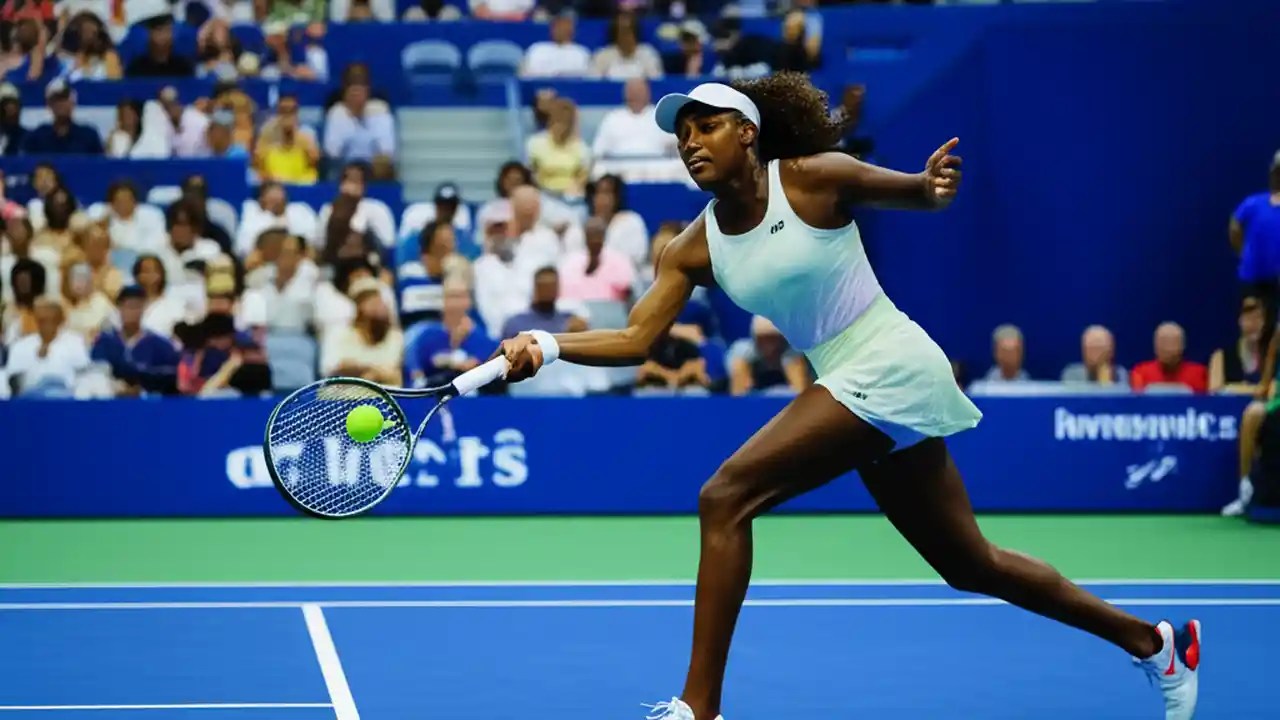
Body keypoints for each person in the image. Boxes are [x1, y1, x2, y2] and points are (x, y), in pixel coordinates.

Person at [493, 76, 1200, 720]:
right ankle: (1153, 642)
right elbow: (637, 337)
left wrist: (930, 184)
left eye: (705, 126)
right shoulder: (690, 248)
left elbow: (914, 192)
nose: (689, 142)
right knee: (969, 563)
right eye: (681, 135)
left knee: (725, 496)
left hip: (886, 356)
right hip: (846, 376)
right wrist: (547, 344)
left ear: (747, 132)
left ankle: (698, 708)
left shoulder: (810, 179)